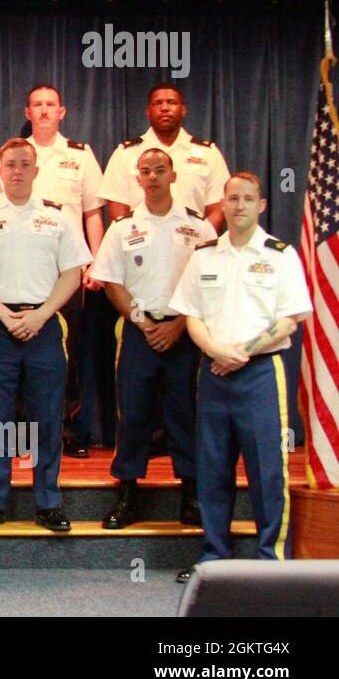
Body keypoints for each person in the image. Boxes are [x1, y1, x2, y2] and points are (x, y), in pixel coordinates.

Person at [170, 172, 312, 583]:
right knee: (212, 468)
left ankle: (272, 561)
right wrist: (216, 352)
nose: (239, 206)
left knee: (268, 471)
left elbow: (290, 319)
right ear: (224, 203)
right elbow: (191, 314)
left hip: (261, 374)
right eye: (232, 199)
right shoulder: (204, 255)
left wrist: (242, 353)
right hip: (213, 374)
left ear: (261, 205)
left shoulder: (280, 255)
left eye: (248, 199)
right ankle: (214, 555)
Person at [0, 138, 91, 532]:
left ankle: (48, 501)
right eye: (10, 164)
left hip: (45, 325)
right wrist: (3, 314)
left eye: (24, 164)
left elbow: (72, 273)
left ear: (36, 170)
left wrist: (43, 314)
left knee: (48, 416)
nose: (17, 170)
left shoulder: (58, 216)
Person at [90, 148, 215, 528]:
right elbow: (111, 281)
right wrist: (145, 323)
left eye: (161, 170)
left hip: (186, 333)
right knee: (134, 415)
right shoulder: (123, 227)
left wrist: (177, 325)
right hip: (139, 331)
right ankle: (127, 495)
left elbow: (209, 284)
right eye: (146, 171)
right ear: (138, 179)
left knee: (185, 415)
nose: (154, 177)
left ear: (173, 176)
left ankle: (191, 497)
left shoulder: (200, 228)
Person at [0, 84, 106, 459]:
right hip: (17, 269)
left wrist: (97, 264)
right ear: (27, 112)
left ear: (62, 112)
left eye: (50, 105)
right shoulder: (9, 154)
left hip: (67, 271)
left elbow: (92, 213)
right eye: (36, 105)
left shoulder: (80, 155)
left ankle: (67, 430)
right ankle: (22, 433)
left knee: (64, 353)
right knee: (14, 354)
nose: (43, 111)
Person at [99, 84, 231, 232]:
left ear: (183, 110)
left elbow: (217, 209)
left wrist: (199, 243)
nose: (165, 108)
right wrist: (135, 241)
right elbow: (117, 209)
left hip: (193, 245)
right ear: (148, 111)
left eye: (172, 102)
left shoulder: (208, 153)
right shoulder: (125, 153)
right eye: (158, 103)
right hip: (140, 245)